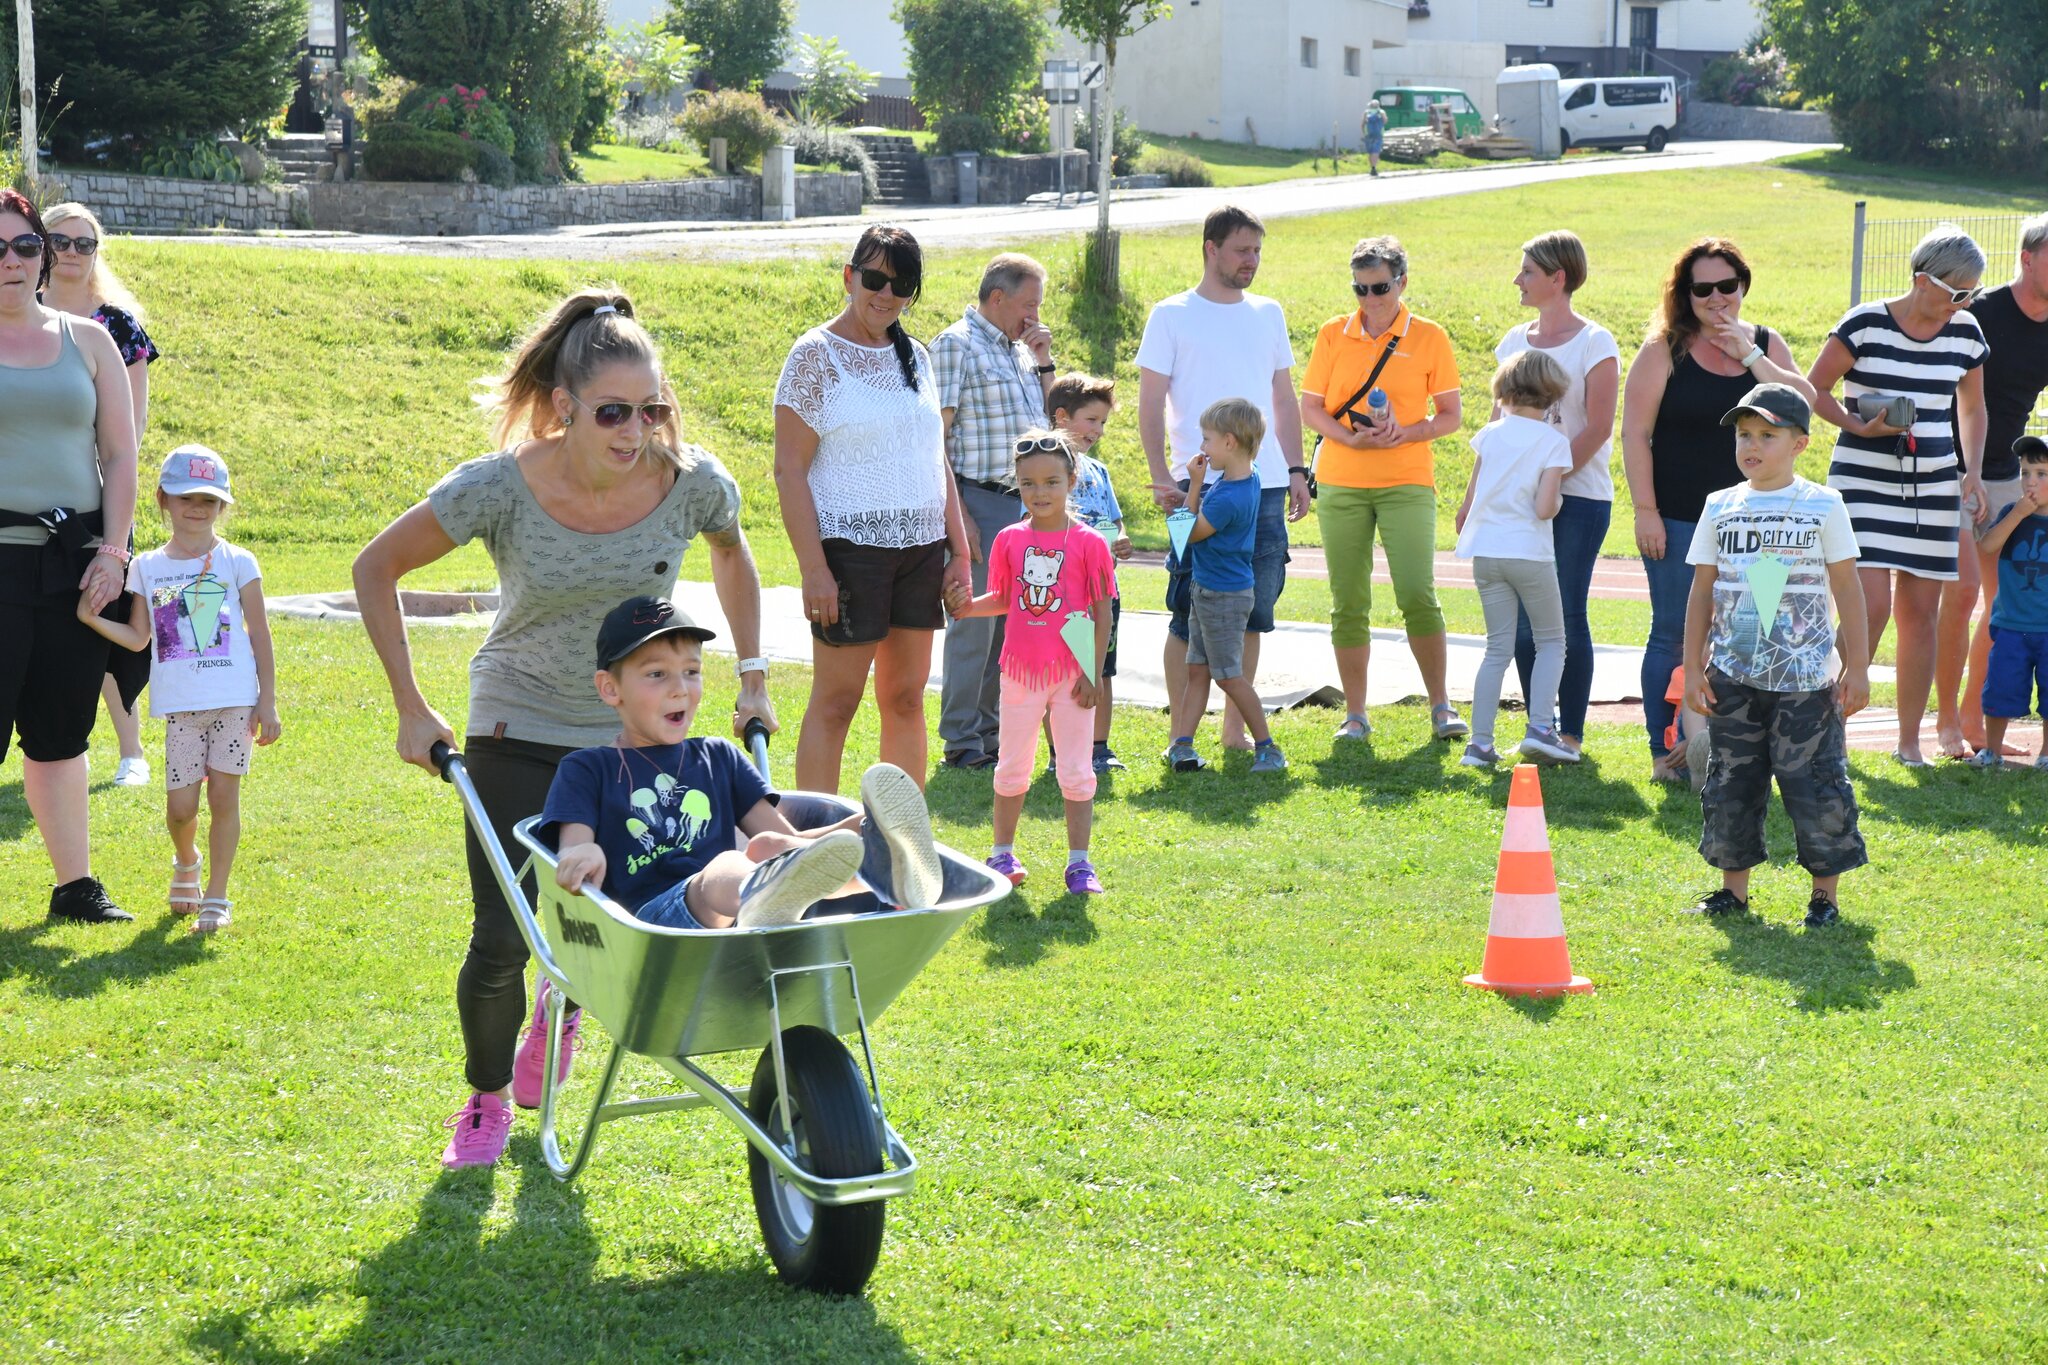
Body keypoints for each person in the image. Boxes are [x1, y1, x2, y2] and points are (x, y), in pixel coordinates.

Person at [354, 287, 777, 1170]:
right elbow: (375, 565)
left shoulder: (690, 479)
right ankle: (485, 1098)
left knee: (609, 915)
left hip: (628, 740)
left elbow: (734, 550)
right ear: (563, 407)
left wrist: (751, 675)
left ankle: (566, 1011)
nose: (636, 430)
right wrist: (408, 704)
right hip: (519, 716)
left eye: (652, 408)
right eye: (613, 412)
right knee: (507, 933)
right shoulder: (499, 487)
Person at [542, 596, 945, 928]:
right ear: (610, 688)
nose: (680, 689)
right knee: (730, 864)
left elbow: (788, 846)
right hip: (652, 923)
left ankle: (884, 870)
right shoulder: (587, 769)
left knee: (773, 846)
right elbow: (574, 846)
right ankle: (777, 893)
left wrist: (855, 828)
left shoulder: (718, 756)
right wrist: (584, 854)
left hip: (733, 914)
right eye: (657, 675)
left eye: (691, 671)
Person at [774, 226, 971, 794]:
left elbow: (937, 462)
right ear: (849, 277)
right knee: (836, 704)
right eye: (875, 278)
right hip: (849, 552)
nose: (885, 294)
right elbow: (789, 470)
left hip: (920, 550)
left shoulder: (920, 358)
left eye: (901, 283)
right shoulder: (815, 356)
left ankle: (900, 840)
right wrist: (814, 569)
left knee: (906, 699)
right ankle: (813, 841)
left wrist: (958, 552)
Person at [1621, 237, 1812, 780]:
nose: (1716, 297)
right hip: (1680, 519)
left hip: (1760, 523)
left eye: (1726, 286)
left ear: (1743, 285)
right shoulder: (1664, 350)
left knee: (1755, 633)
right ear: (1685, 294)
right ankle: (1668, 755)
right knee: (1675, 634)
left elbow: (1806, 406)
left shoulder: (1766, 344)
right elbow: (1635, 434)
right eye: (1701, 288)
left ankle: (1736, 753)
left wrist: (1749, 354)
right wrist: (1645, 511)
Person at [0, 188, 140, 924]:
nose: (13, 262)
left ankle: (75, 887)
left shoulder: (90, 341)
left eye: (26, 246)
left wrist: (114, 552)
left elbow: (119, 455)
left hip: (71, 563)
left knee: (60, 731)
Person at [1683, 383, 1870, 928]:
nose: (1752, 446)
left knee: (1814, 783)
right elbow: (1702, 590)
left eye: (1768, 435)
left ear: (1800, 444)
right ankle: (1732, 892)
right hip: (1733, 677)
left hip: (1805, 680)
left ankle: (1824, 898)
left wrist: (1855, 666)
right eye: (1744, 435)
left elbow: (1849, 587)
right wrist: (1695, 666)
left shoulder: (1822, 504)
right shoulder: (1720, 505)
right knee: (1731, 782)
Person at [75, 447, 280, 934]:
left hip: (234, 703)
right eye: (186, 497)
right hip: (181, 710)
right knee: (181, 808)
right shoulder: (147, 566)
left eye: (209, 500)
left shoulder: (239, 561)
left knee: (224, 800)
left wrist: (266, 700)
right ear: (163, 500)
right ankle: (186, 860)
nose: (197, 508)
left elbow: (260, 633)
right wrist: (91, 617)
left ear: (222, 507)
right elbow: (140, 637)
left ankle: (217, 896)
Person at [1809, 224, 1990, 767]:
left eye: (1973, 294)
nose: (1964, 303)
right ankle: (1822, 723)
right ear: (1922, 280)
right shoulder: (1864, 322)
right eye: (1958, 292)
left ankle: (1909, 743)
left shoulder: (1966, 333)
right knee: (1872, 606)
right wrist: (1855, 425)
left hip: (1933, 482)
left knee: (1921, 614)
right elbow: (1814, 389)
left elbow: (1973, 409)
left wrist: (1972, 472)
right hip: (1861, 478)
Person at [1137, 205, 1310, 752]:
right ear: (1211, 248)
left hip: (1267, 485)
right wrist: (1162, 474)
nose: (1251, 261)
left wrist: (1299, 469)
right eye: (1241, 250)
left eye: (1257, 251)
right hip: (1198, 487)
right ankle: (1179, 733)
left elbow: (1283, 397)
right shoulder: (1171, 313)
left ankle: (1236, 733)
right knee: (1184, 611)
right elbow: (1149, 401)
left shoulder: (1269, 313)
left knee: (1254, 609)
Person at [1300, 234, 1468, 742]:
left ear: (1402, 282)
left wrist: (1405, 433)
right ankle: (1355, 714)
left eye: (1380, 287)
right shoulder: (1333, 333)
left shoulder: (1430, 336)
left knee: (1417, 593)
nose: (1370, 299)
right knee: (1348, 602)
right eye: (1360, 288)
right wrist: (1349, 439)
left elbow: (1452, 417)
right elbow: (1311, 408)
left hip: (1406, 480)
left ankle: (1441, 706)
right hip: (1341, 483)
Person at [955, 431, 1115, 894]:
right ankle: (1001, 854)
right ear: (1017, 485)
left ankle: (1079, 864)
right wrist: (966, 607)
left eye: (1050, 482)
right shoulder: (1008, 539)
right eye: (1028, 484)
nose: (1039, 493)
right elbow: (1005, 598)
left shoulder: (1089, 543)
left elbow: (1102, 612)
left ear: (1071, 481)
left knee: (1076, 769)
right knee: (1012, 765)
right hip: (1020, 672)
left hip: (1073, 675)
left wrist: (1092, 673)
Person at [42, 202, 159, 788]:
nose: (69, 252)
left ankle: (131, 750)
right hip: (28, 498)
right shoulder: (19, 313)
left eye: (84, 244)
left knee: (106, 619)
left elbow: (131, 432)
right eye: (58, 239)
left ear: (97, 253)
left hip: (99, 497)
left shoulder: (119, 326)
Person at [1495, 230, 1620, 756]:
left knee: (1565, 614)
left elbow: (1597, 427)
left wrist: (1551, 475)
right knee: (1525, 624)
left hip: (1581, 499)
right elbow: (1495, 429)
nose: (1518, 279)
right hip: (1520, 505)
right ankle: (1539, 726)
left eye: (1527, 271)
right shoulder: (1511, 343)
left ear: (1557, 278)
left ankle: (1570, 733)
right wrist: (1476, 495)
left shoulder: (1596, 342)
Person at [930, 253, 1055, 772]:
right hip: (976, 498)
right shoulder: (955, 345)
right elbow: (934, 437)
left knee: (1010, 625)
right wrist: (959, 515)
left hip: (1023, 505)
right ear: (997, 297)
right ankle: (961, 740)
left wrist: (1045, 359)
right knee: (973, 625)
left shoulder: (1022, 353)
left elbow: (1053, 427)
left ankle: (991, 733)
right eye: (1028, 305)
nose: (1035, 317)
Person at [1947, 212, 2048, 753]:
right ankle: (1943, 726)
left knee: (2001, 608)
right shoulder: (1977, 311)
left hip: (2003, 475)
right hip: (1945, 470)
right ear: (2027, 259)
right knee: (1959, 599)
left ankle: (1972, 725)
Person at [1452, 350, 1577, 768]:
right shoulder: (1553, 442)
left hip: (1486, 553)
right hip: (1530, 553)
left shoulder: (1489, 435)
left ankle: (1480, 744)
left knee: (1497, 648)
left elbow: (1468, 503)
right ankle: (1541, 728)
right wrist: (1557, 498)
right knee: (1552, 641)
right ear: (1551, 397)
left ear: (1505, 390)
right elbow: (1545, 508)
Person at [1164, 400, 1289, 775]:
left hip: (1223, 597)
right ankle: (1182, 746)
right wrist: (1193, 496)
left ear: (1230, 442)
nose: (1202, 448)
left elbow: (1187, 534)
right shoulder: (1244, 478)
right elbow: (1203, 514)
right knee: (1198, 669)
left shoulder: (1230, 494)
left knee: (1228, 675)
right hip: (1208, 589)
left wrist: (1190, 492)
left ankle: (1268, 747)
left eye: (1207, 439)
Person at [1047, 372, 1134, 774]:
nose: (1098, 430)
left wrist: (1122, 540)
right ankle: (1059, 754)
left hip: (1104, 592)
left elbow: (1117, 524)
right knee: (1059, 673)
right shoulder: (1044, 470)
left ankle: (1098, 748)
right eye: (1091, 420)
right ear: (1062, 417)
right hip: (1062, 594)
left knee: (1100, 668)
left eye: (1102, 423)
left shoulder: (1100, 472)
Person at [1968, 437, 2048, 770]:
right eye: (2025, 472)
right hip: (2011, 625)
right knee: (1999, 690)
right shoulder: (2010, 514)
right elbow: (1987, 546)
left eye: (2042, 473)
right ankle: (1993, 751)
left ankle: (2045, 755)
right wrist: (2018, 512)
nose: (2030, 481)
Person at [1362, 99, 1386, 178]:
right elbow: (1385, 121)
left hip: (1369, 135)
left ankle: (1371, 167)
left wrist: (1364, 133)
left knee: (1370, 152)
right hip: (1378, 135)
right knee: (1376, 151)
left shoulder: (1366, 112)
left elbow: (1362, 124)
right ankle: (1374, 168)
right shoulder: (1381, 112)